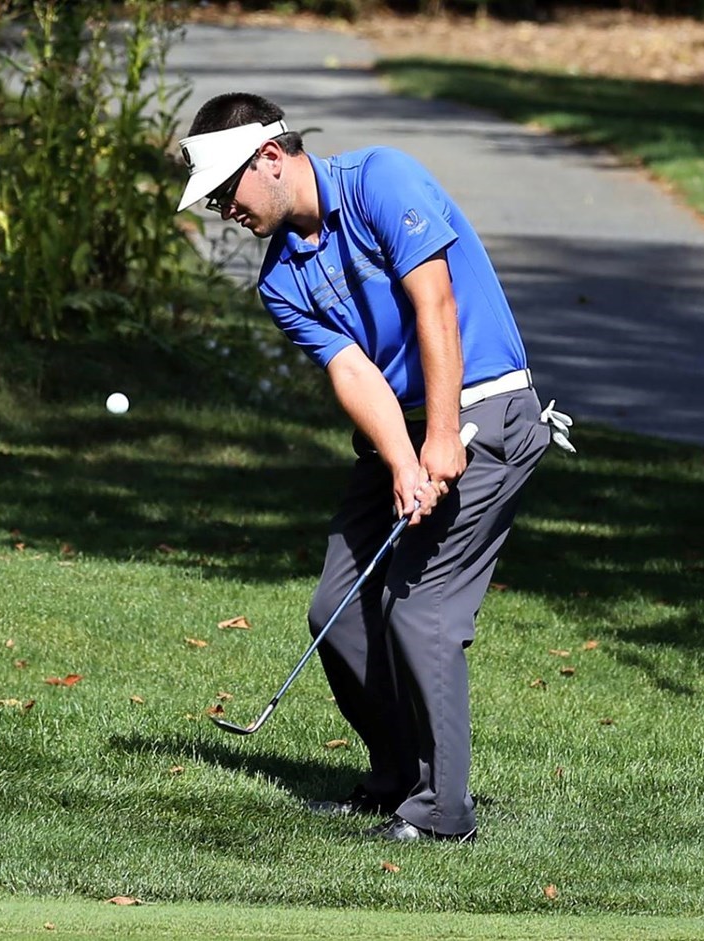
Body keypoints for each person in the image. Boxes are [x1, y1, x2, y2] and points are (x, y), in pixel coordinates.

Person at [175, 93, 571, 843]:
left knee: (421, 608)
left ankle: (443, 812)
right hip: (405, 427)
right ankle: (396, 777)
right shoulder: (279, 281)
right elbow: (353, 371)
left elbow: (436, 306)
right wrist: (402, 460)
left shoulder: (382, 180)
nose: (225, 211)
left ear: (270, 157)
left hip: (484, 407)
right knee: (337, 607)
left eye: (227, 190)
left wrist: (443, 437)